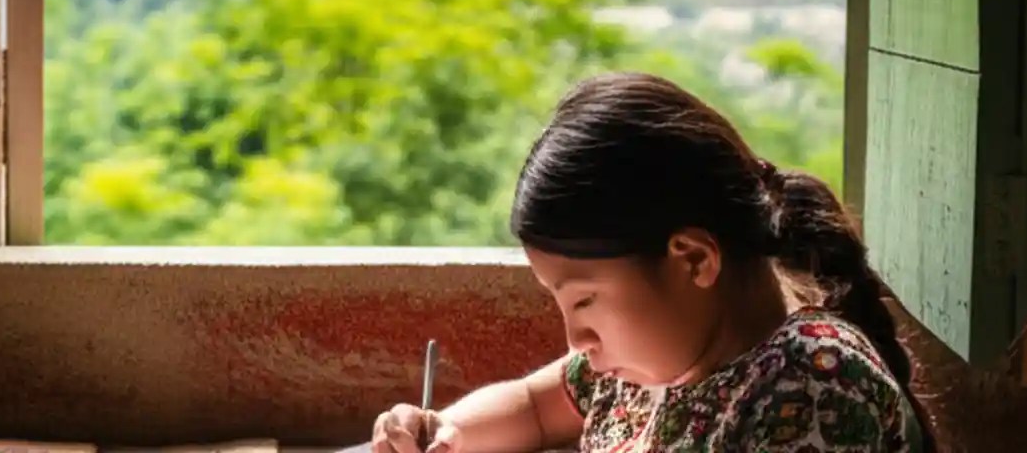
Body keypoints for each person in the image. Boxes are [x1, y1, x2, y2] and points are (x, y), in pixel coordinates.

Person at [371, 72, 932, 453]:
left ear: (692, 260)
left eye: (585, 299)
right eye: (561, 303)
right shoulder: (654, 361)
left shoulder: (810, 388)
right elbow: (534, 406)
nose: (576, 337)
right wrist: (447, 431)